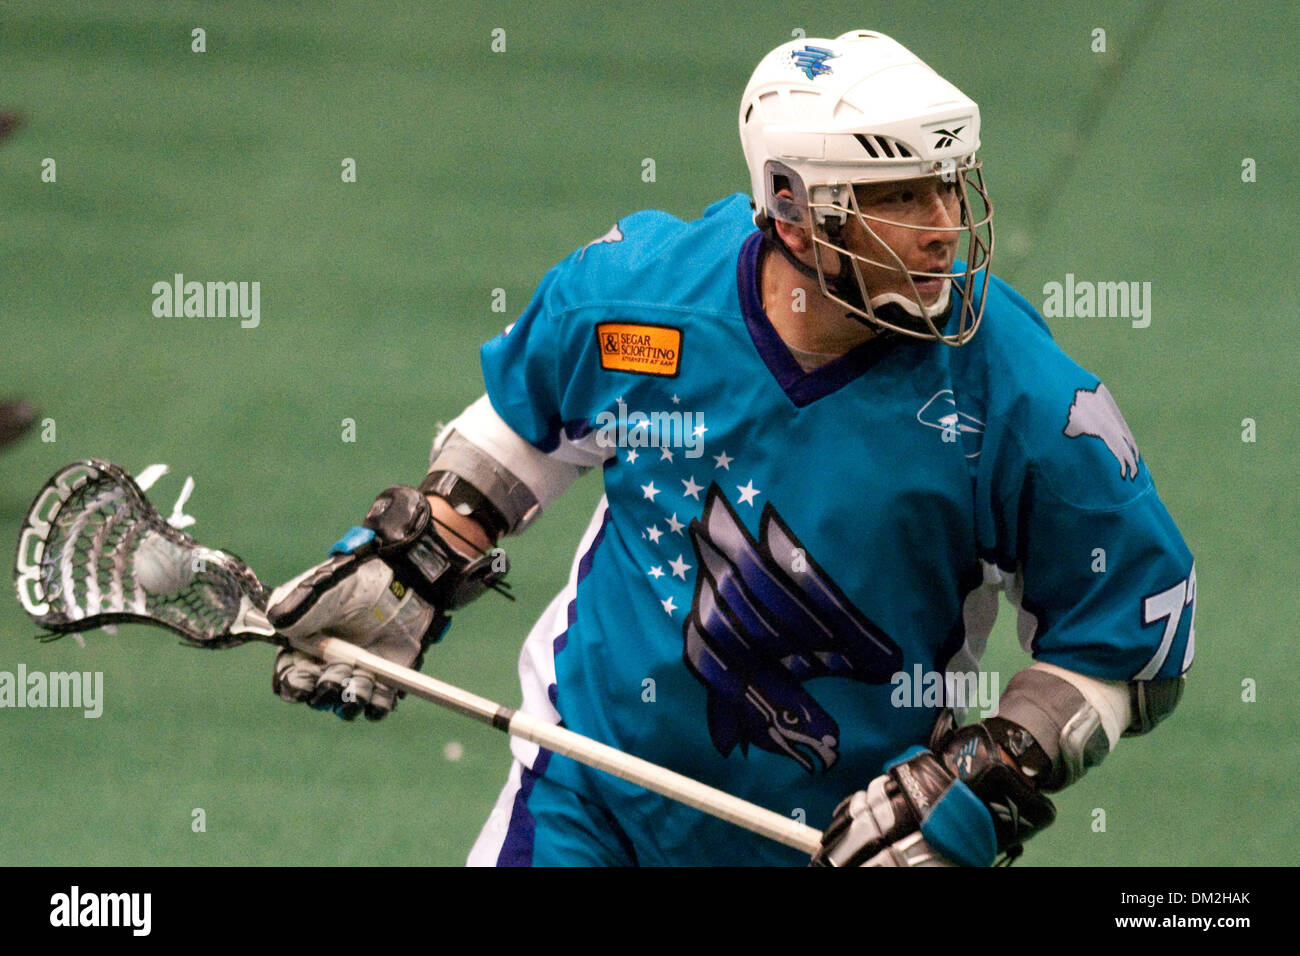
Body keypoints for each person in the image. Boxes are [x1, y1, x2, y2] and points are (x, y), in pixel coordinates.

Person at [265, 31, 1195, 867]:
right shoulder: (642, 294)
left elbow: (1132, 642)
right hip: (592, 797)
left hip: (844, 843)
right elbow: (534, 414)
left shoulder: (1017, 394)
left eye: (950, 184)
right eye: (899, 197)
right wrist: (423, 556)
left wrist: (989, 770)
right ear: (793, 212)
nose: (944, 227)